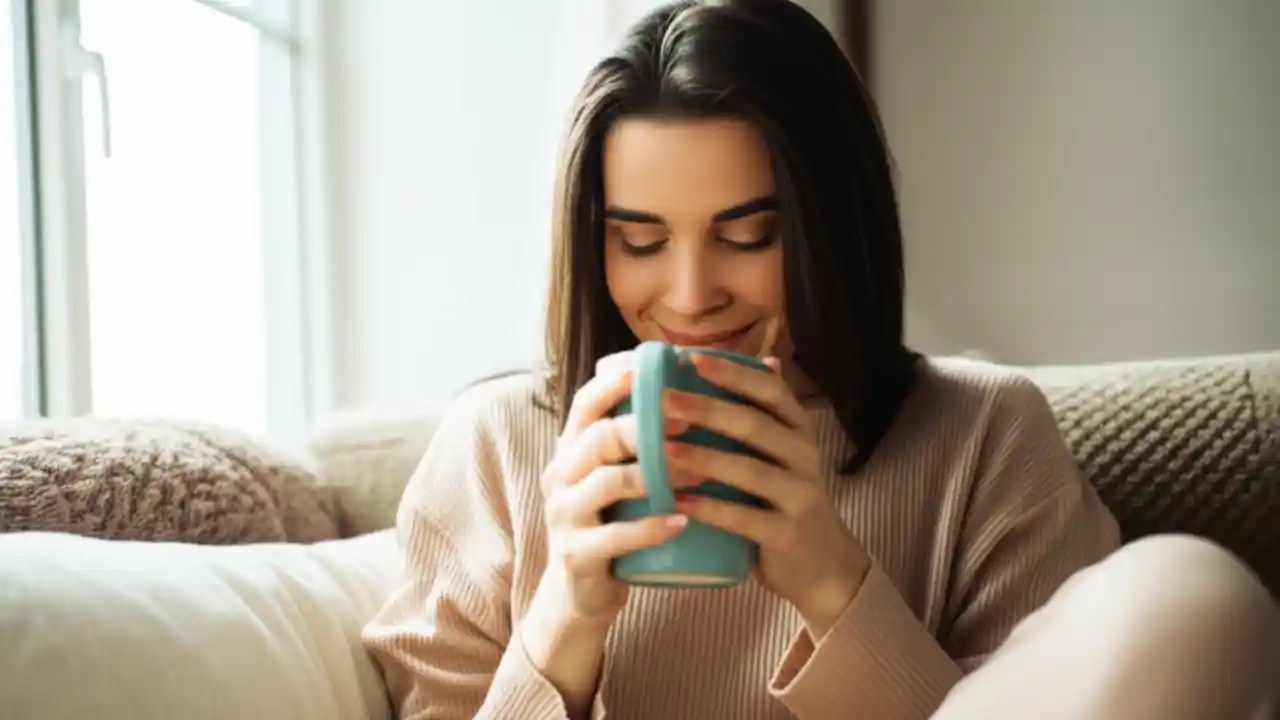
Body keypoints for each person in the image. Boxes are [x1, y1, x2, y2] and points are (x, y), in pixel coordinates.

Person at [361, 2, 1279, 718]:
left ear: (834, 226)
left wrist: (833, 581)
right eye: (639, 243)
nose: (688, 297)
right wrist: (565, 615)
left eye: (750, 236)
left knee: (1194, 595)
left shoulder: (984, 437)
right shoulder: (498, 448)